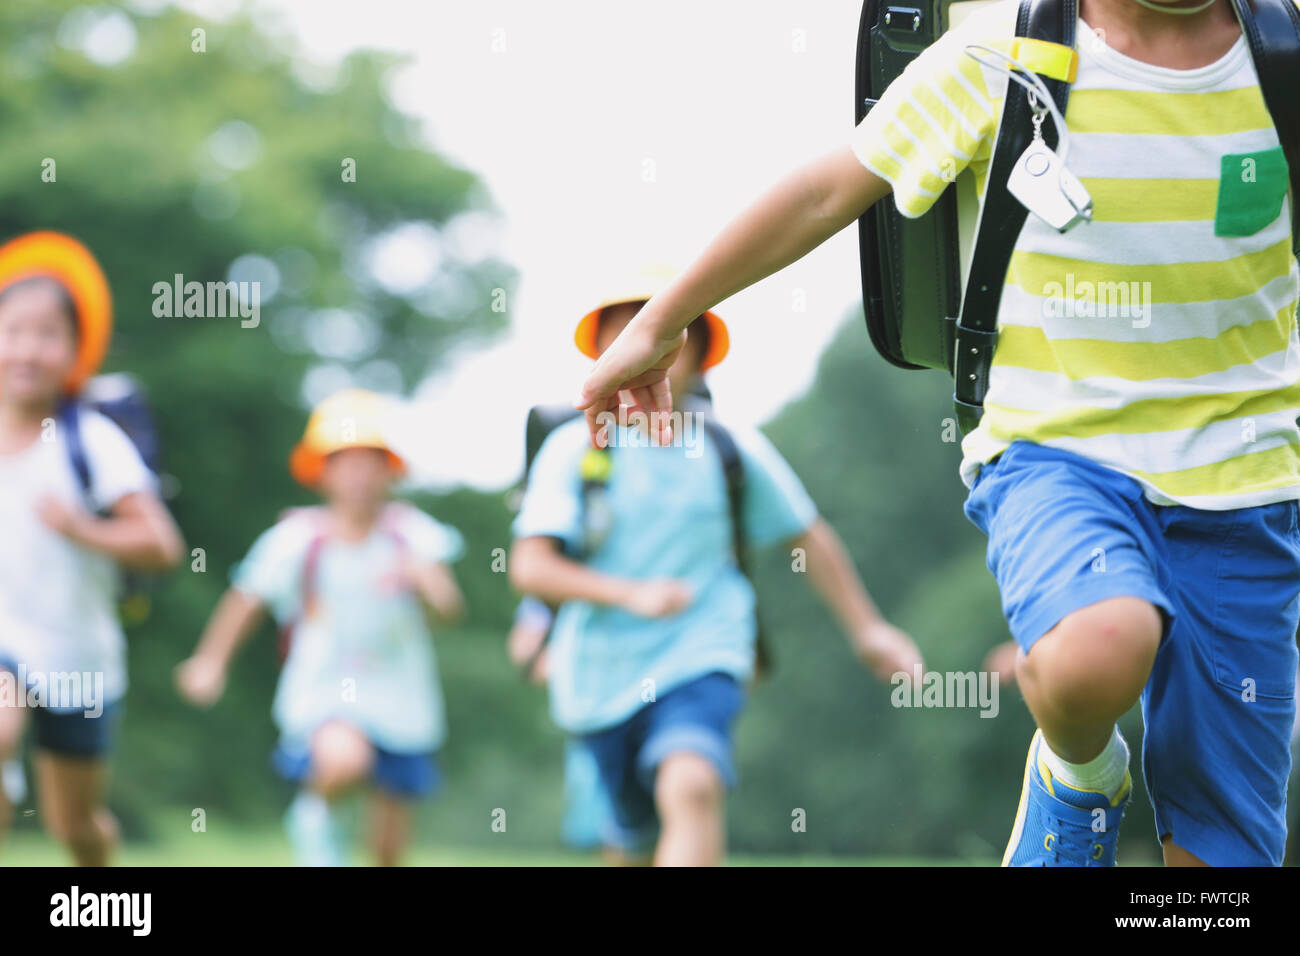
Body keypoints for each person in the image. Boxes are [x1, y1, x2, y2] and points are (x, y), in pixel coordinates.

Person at [575, 0, 1300, 867]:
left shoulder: (1283, 59)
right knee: (1101, 643)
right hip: (1059, 453)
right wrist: (665, 319)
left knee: (1223, 857)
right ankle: (1077, 776)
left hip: (1250, 479)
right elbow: (821, 192)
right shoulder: (1002, 57)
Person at [511, 269, 920, 866]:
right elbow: (530, 568)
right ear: (601, 355)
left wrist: (868, 630)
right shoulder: (572, 450)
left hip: (703, 651)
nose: (646, 350)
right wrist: (630, 595)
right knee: (630, 838)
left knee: (692, 785)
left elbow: (809, 538)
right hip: (598, 678)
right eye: (626, 336)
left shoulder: (732, 450)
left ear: (697, 352)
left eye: (664, 333)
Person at [176, 388, 465, 866]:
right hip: (325, 690)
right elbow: (245, 601)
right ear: (323, 472)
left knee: (389, 846)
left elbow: (450, 610)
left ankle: (329, 831)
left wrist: (424, 579)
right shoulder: (296, 539)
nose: (360, 474)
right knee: (345, 761)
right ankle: (315, 816)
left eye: (369, 460)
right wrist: (210, 662)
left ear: (388, 469)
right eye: (345, 461)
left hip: (401, 696)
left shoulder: (412, 535)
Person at [0, 231, 184, 864]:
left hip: (79, 656)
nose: (27, 349)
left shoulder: (91, 440)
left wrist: (83, 528)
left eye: (47, 334)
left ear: (77, 350)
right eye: (13, 330)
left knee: (75, 826)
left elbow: (162, 545)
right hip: (5, 645)